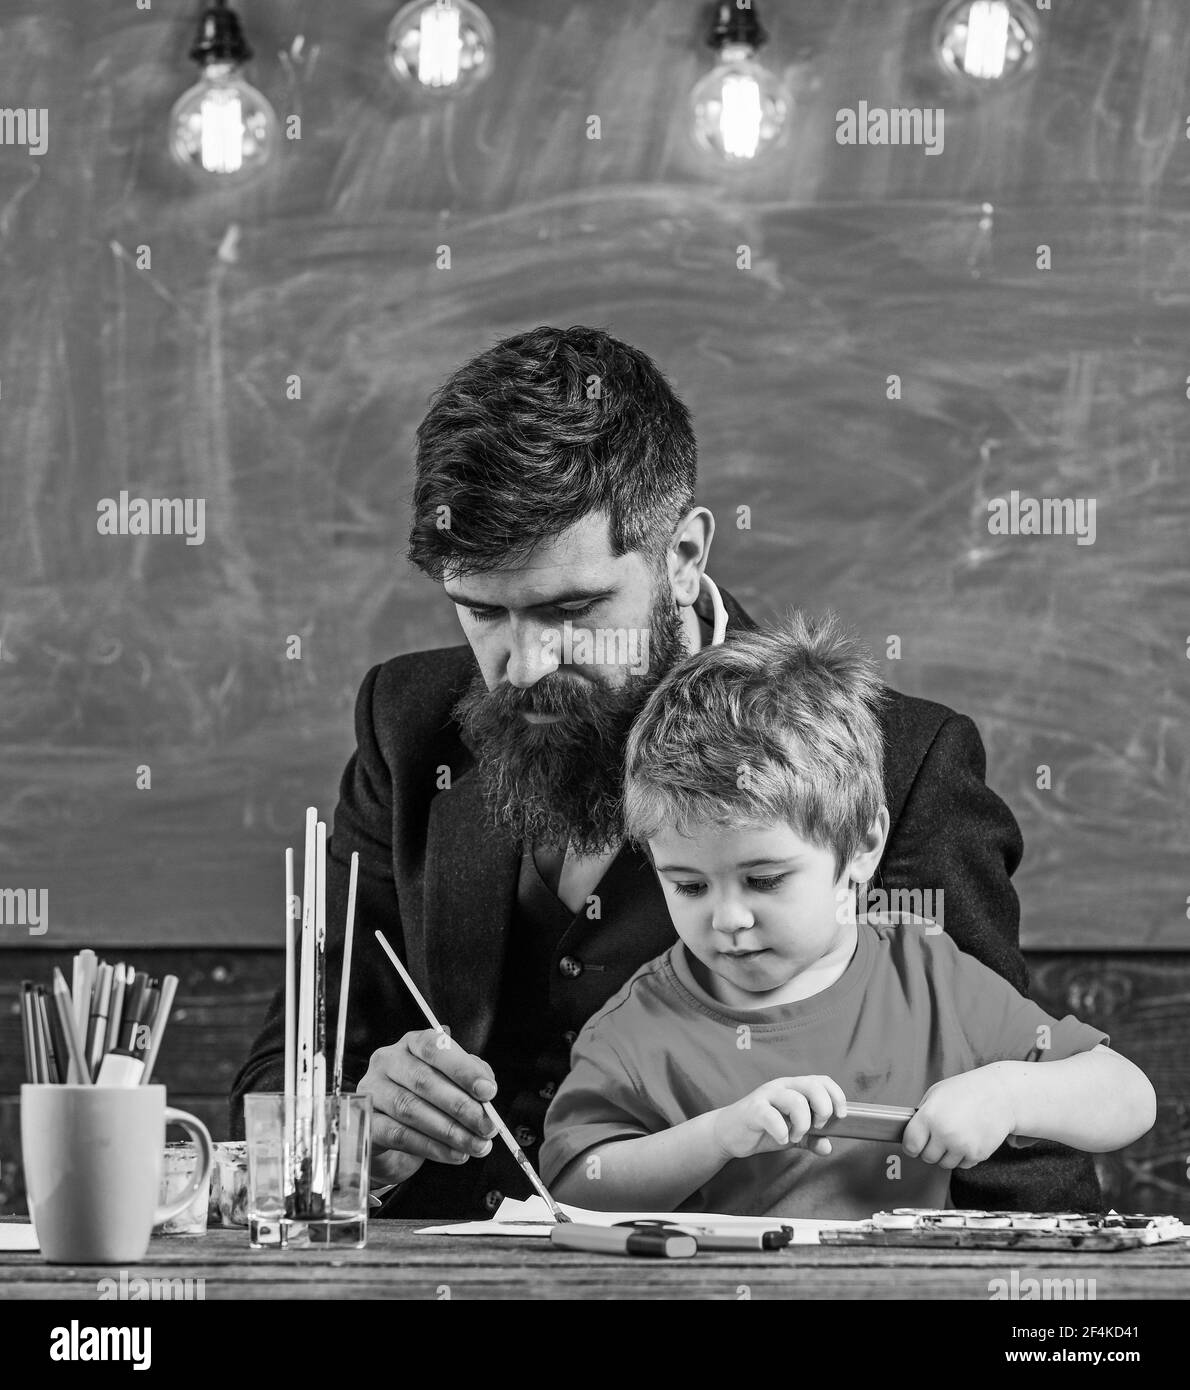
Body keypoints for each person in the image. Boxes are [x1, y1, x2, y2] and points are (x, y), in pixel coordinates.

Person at [231, 324, 1103, 1218]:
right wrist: (353, 1131)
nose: (524, 665)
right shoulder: (403, 721)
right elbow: (287, 1066)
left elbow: (1023, 1169)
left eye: (571, 609)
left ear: (682, 557)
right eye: (481, 611)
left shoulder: (897, 762)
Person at [540, 615, 1156, 1217]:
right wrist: (720, 1137)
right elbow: (574, 1187)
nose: (727, 918)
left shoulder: (926, 977)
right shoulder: (634, 1028)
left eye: (763, 880)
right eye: (690, 885)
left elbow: (1128, 1097)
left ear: (862, 847)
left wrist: (1006, 1094)